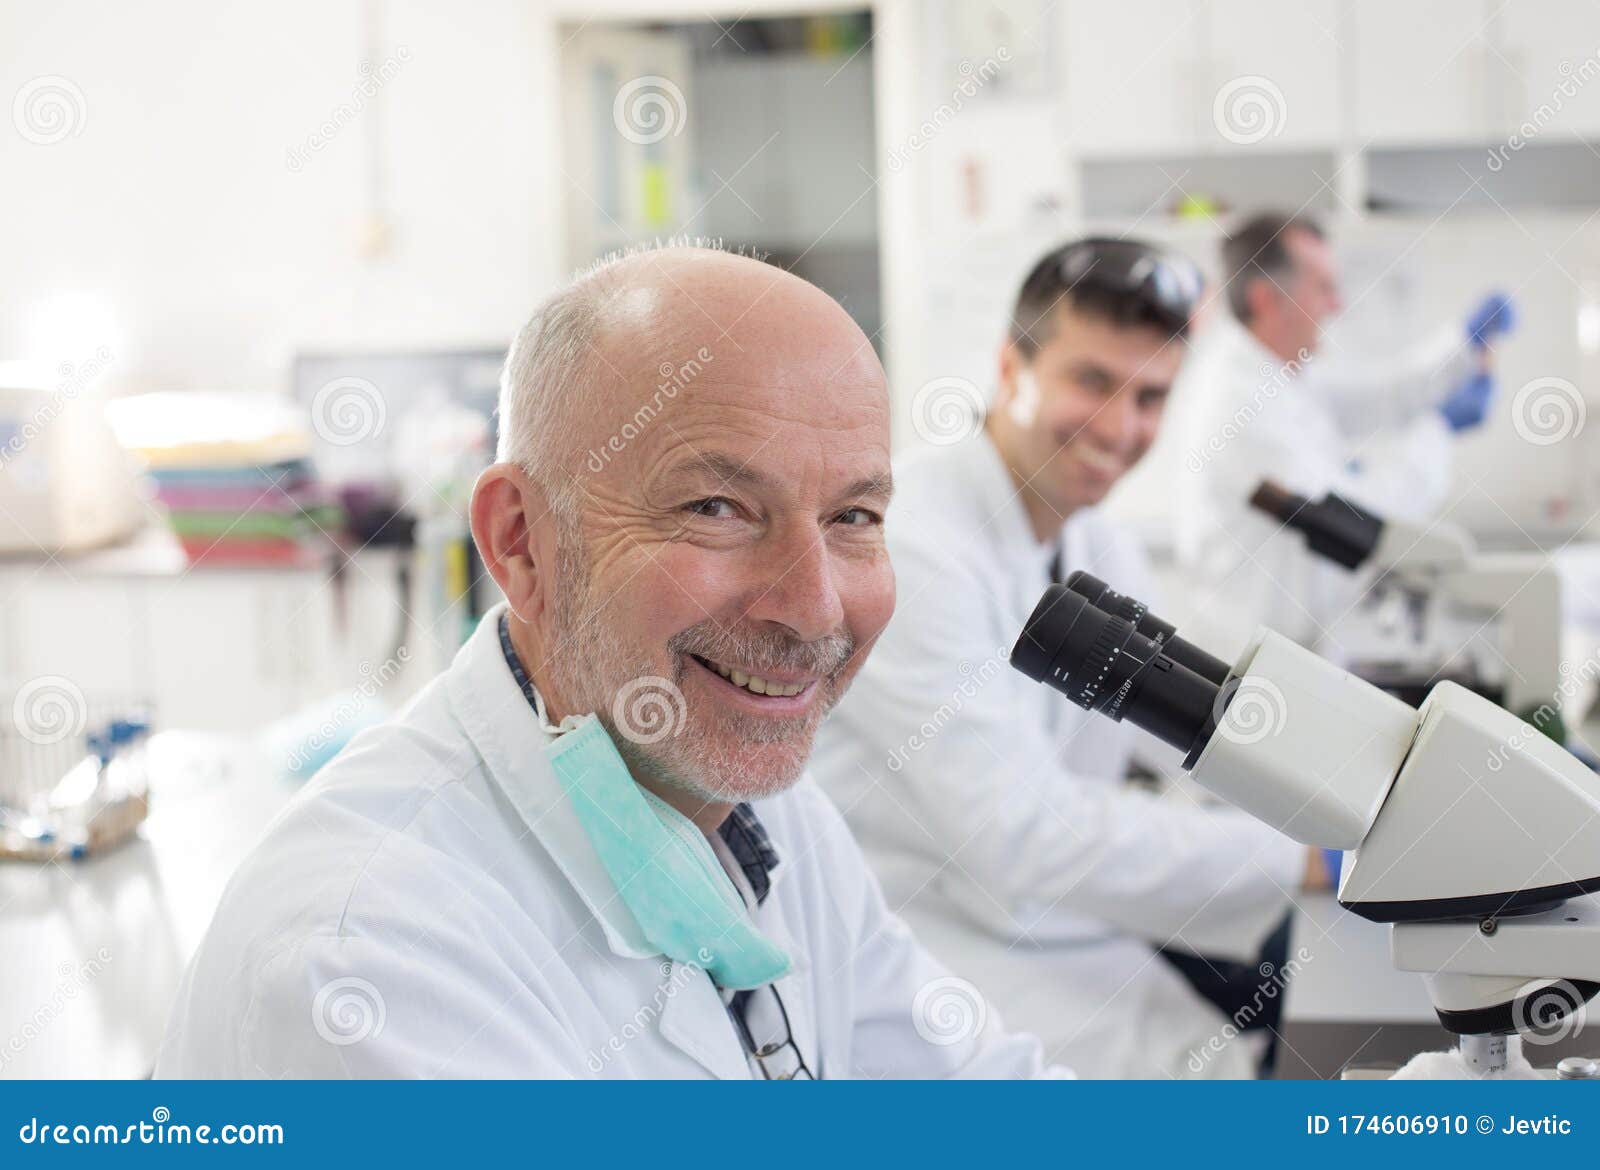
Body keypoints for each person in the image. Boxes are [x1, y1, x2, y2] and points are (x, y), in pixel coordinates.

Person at [155, 245, 1065, 1079]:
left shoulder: (764, 816)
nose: (814, 607)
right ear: (520, 543)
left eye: (853, 518)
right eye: (717, 507)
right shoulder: (366, 961)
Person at [809, 237, 1323, 1080]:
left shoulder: (1094, 538)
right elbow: (1025, 832)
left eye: (1151, 396)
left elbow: (1189, 728)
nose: (1121, 428)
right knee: (1223, 1074)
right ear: (1012, 368)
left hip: (1035, 921)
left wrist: (1347, 794)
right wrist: (1302, 858)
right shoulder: (914, 548)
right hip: (922, 942)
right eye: (1092, 382)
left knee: (1257, 1031)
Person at [1169, 212, 1515, 658]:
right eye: (1324, 288)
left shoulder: (1274, 375)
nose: (1337, 305)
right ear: (1267, 300)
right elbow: (1367, 521)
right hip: (1258, 662)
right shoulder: (1237, 402)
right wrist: (1439, 431)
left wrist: (1462, 346)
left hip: (1286, 651)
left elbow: (1374, 395)